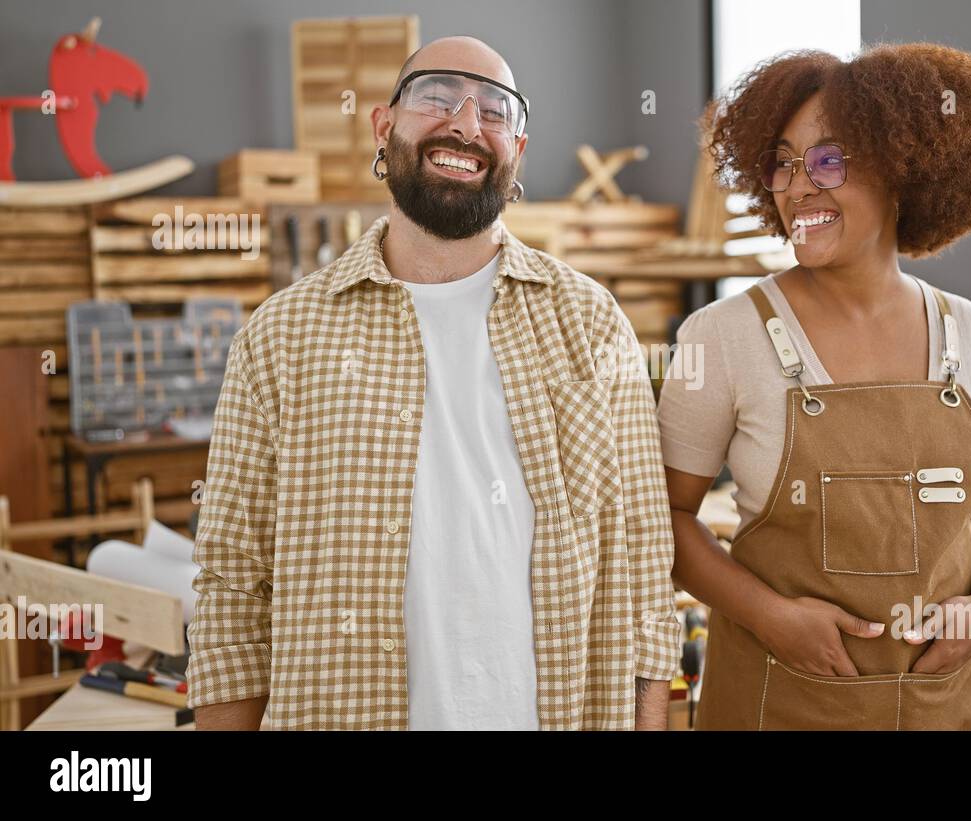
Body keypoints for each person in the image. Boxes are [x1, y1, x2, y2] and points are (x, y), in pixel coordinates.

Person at [187, 36, 681, 730]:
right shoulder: (280, 338)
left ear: (519, 153)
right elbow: (234, 585)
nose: (466, 123)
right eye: (437, 97)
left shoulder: (592, 324)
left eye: (494, 111)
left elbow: (643, 567)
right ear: (383, 127)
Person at [657, 44, 971, 730]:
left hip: (941, 706)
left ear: (901, 170)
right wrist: (772, 617)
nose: (799, 185)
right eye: (783, 161)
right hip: (780, 698)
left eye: (830, 159)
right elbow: (667, 519)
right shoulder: (724, 336)